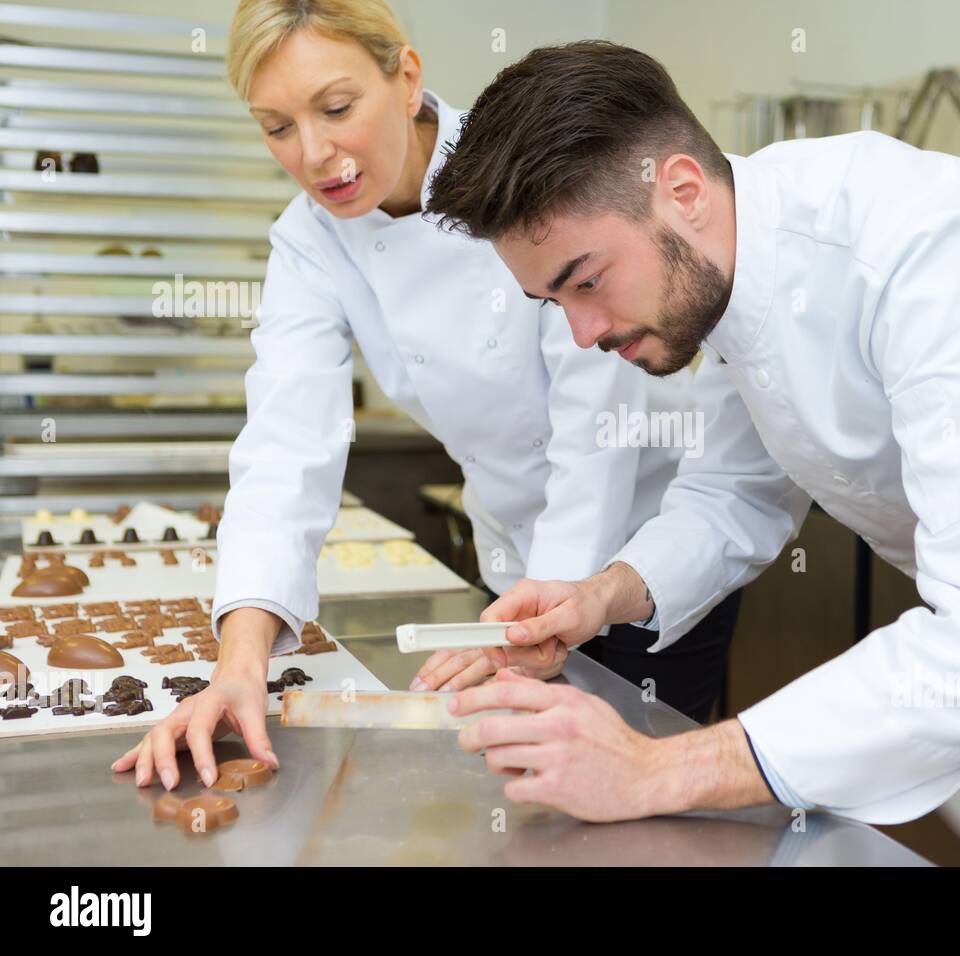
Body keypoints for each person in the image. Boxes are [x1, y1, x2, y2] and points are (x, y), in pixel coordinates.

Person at [423, 41, 960, 864]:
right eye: (552, 302)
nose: (581, 333)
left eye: (586, 281)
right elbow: (732, 493)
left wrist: (660, 769)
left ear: (681, 189)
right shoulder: (729, 264)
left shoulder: (930, 257)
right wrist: (596, 596)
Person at [111, 5, 748, 794]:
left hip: (645, 555)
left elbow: (595, 430)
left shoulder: (520, 166)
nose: (315, 154)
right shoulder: (309, 243)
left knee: (633, 799)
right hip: (515, 560)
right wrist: (238, 663)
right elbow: (285, 446)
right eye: (276, 127)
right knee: (513, 790)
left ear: (407, 78)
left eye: (337, 109)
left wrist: (547, 615)